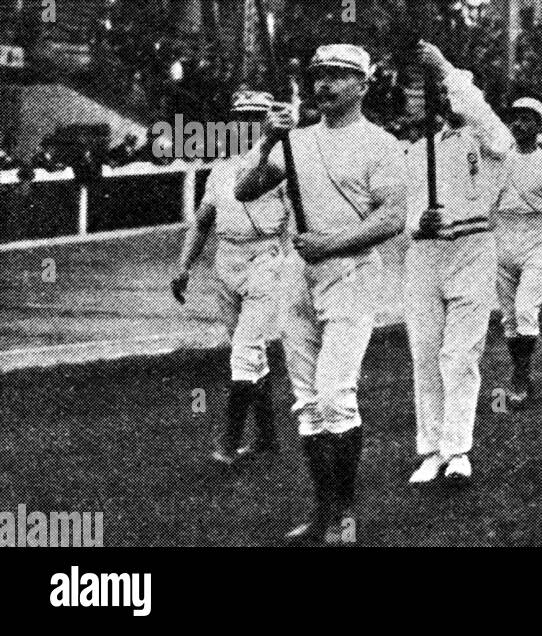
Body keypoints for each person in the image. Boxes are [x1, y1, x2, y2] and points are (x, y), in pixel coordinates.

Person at [234, 43, 407, 544]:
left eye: (337, 76)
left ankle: (346, 515)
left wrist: (330, 242)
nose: (324, 85)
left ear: (363, 85)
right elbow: (245, 191)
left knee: (336, 396)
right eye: (319, 76)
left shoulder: (380, 145)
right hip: (296, 275)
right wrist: (268, 143)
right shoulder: (297, 141)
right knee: (306, 402)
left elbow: (391, 220)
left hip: (350, 274)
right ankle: (323, 512)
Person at [404, 42, 514, 485]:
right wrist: (419, 223)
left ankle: (458, 451)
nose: (442, 101)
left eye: (448, 93)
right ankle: (430, 450)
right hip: (426, 256)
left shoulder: (487, 138)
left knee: (460, 354)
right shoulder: (416, 151)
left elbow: (487, 122)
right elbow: (404, 215)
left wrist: (446, 68)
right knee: (426, 353)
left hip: (473, 249)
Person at [172, 90, 287, 466]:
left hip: (266, 259)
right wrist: (184, 264)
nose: (245, 125)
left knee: (244, 352)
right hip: (227, 261)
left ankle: (228, 444)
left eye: (254, 118)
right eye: (239, 119)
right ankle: (267, 436)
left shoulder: (283, 163)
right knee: (250, 355)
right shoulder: (222, 168)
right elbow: (203, 220)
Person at [494, 97, 542, 410]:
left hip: (537, 239)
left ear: (539, 126)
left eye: (527, 119)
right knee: (509, 317)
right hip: (503, 238)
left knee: (527, 309)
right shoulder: (497, 161)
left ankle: (521, 376)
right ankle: (519, 370)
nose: (519, 125)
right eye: (515, 119)